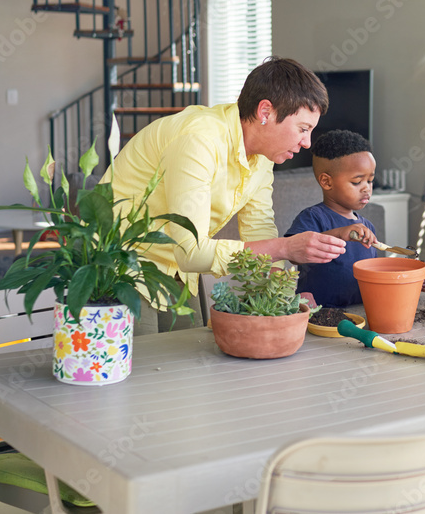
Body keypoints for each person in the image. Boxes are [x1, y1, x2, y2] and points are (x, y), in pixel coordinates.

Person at [103, 57, 348, 334]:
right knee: (145, 368)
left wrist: (283, 293)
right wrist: (286, 248)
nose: (307, 143)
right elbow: (191, 252)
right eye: (303, 129)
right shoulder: (200, 139)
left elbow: (259, 229)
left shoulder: (263, 156)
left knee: (189, 362)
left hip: (176, 269)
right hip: (118, 263)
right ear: (265, 111)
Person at [285, 130, 379, 307]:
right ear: (327, 182)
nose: (366, 188)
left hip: (359, 311)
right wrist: (339, 234)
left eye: (370, 181)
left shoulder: (367, 227)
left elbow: (373, 273)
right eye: (357, 182)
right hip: (318, 314)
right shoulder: (313, 217)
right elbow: (294, 254)